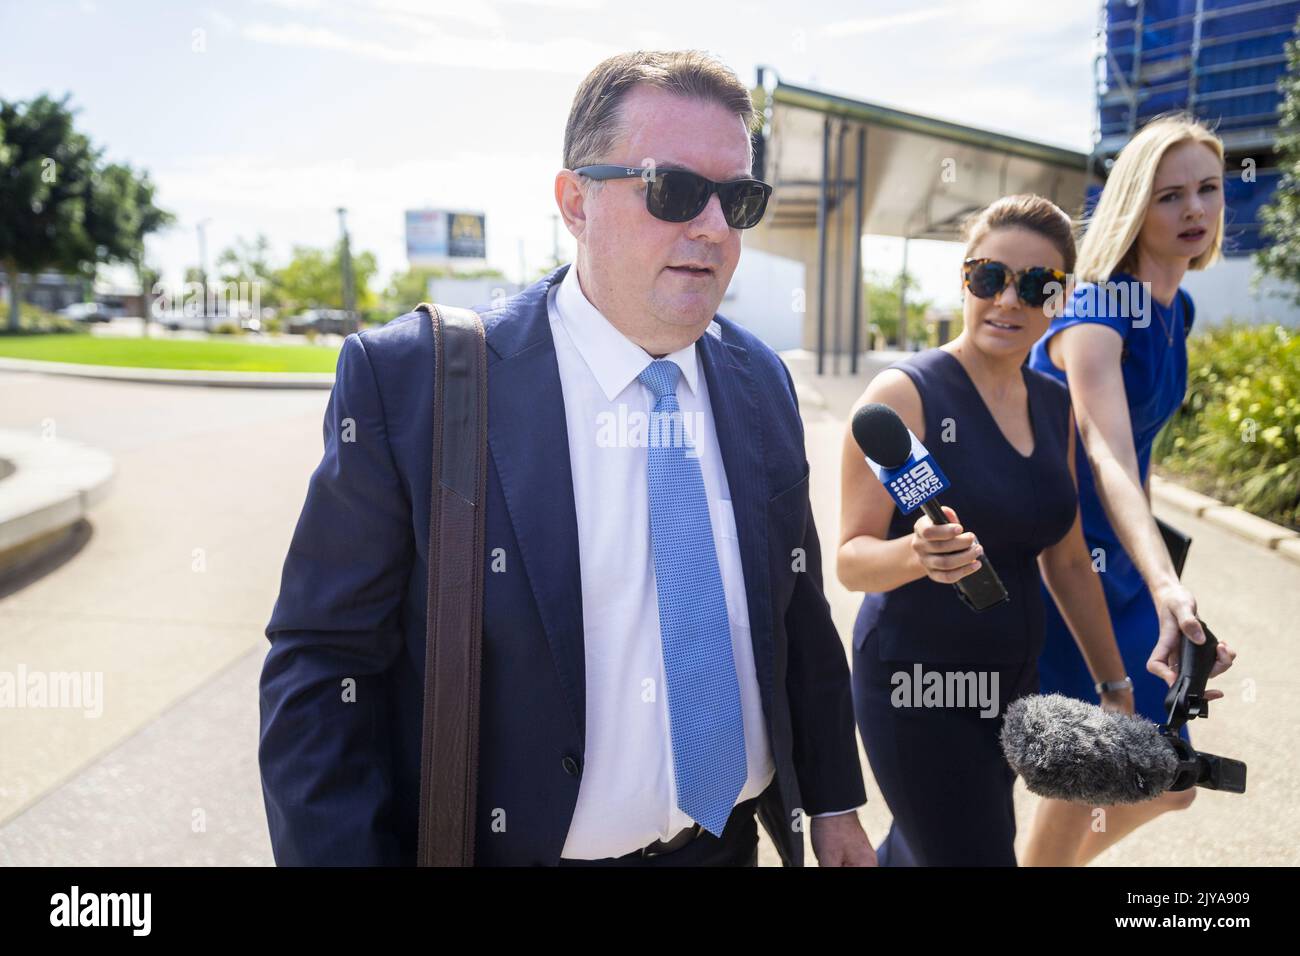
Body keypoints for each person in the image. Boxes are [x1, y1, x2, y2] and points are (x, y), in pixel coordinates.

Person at [258, 50, 874, 867]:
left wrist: (830, 804)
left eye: (738, 199)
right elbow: (322, 671)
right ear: (574, 202)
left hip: (723, 850)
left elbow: (795, 610)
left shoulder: (759, 379)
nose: (715, 228)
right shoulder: (416, 383)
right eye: (674, 190)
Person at [837, 195, 1132, 865]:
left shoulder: (1054, 403)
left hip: (1009, 690)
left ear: (1061, 298)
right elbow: (851, 561)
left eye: (1036, 285)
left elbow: (1068, 560)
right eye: (989, 277)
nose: (1009, 300)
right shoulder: (903, 394)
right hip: (914, 688)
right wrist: (918, 553)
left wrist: (1113, 686)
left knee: (924, 850)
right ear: (963, 279)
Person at [1023, 115, 1237, 866]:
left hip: (1122, 548)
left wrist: (1155, 576)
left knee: (1167, 777)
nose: (1195, 211)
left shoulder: (1176, 309)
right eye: (1168, 195)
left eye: (1208, 190)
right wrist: (1163, 581)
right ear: (1134, 207)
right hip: (1064, 558)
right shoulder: (1093, 314)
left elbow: (1137, 461)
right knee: (1103, 757)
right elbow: (1108, 453)